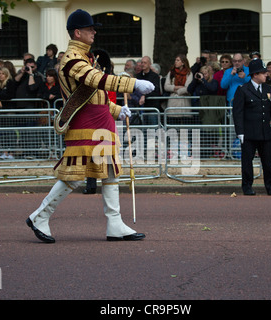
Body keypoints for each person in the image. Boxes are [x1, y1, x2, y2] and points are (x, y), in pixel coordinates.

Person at [26, 9, 155, 243]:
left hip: (101, 123)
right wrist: (133, 84)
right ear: (78, 32)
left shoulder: (86, 57)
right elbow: (97, 81)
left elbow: (98, 96)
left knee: (109, 173)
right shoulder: (72, 58)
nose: (94, 32)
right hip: (84, 126)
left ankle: (115, 224)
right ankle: (40, 216)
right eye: (90, 29)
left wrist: (117, 110)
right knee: (74, 176)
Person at [232, 58, 271, 196]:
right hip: (249, 133)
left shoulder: (268, 88)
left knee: (267, 162)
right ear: (255, 74)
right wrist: (240, 131)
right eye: (263, 72)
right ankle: (247, 186)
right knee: (247, 162)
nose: (266, 75)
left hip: (265, 132)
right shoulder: (243, 90)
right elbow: (238, 113)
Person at [163, 54, 193, 123]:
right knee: (173, 127)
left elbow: (187, 87)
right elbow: (166, 86)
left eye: (178, 60)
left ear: (183, 63)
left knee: (184, 128)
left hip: (184, 102)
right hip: (173, 102)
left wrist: (177, 91)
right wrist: (177, 87)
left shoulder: (189, 73)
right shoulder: (171, 72)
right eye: (175, 60)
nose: (175, 62)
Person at [133, 56, 161, 124]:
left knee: (152, 130)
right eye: (142, 62)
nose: (143, 64)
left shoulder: (155, 76)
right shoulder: (138, 76)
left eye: (145, 63)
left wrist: (145, 96)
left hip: (152, 107)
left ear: (149, 64)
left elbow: (156, 90)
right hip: (140, 108)